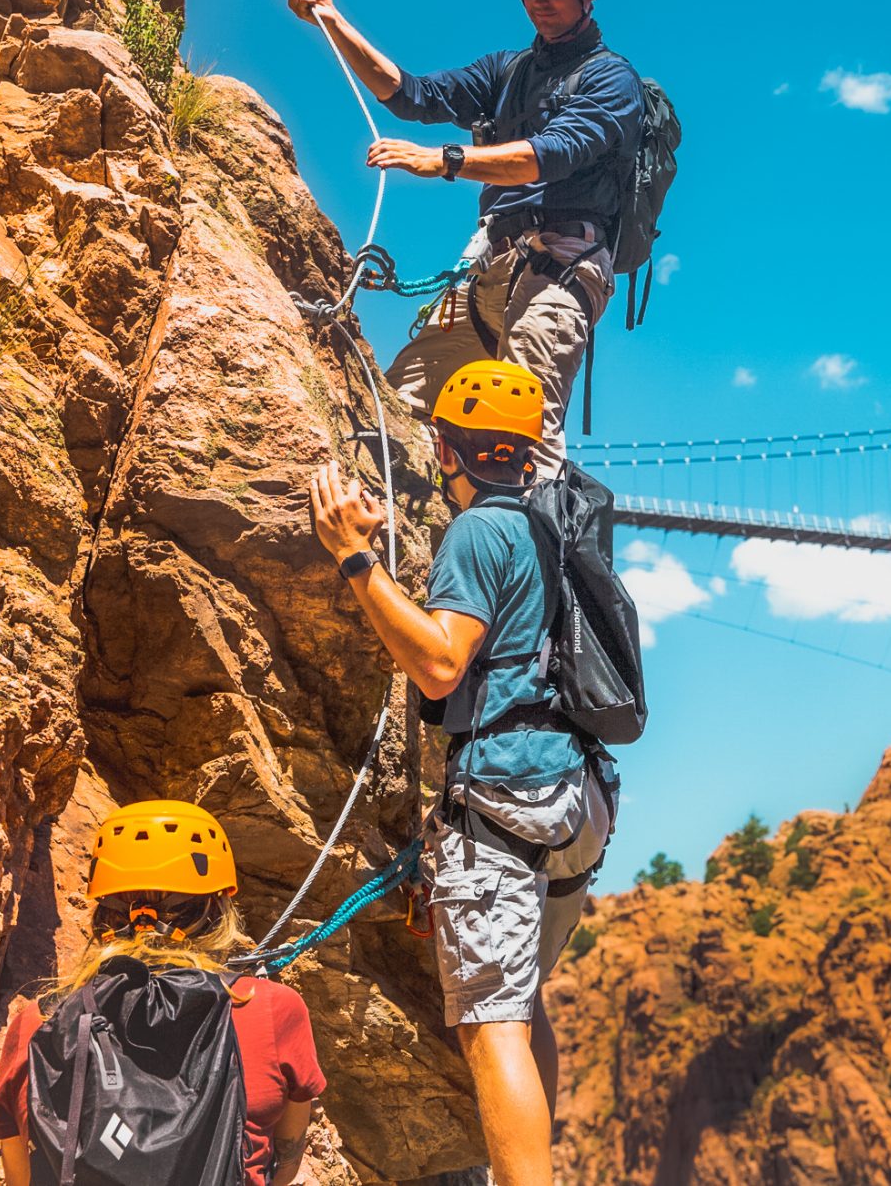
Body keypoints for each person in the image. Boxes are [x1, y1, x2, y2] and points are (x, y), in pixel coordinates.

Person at [308, 358, 618, 1186]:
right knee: (523, 1003)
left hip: (507, 800)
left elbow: (441, 664)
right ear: (523, 452)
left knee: (491, 1025)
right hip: (577, 801)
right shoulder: (554, 529)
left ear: (445, 448)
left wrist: (355, 559)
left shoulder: (480, 530)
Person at [280, 0, 645, 475]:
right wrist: (330, 21)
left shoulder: (612, 81)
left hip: (562, 268)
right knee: (404, 403)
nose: (538, 0)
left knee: (520, 428)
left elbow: (546, 155)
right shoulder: (507, 71)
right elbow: (410, 94)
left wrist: (444, 160)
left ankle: (529, 552)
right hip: (492, 268)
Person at [0, 800, 325, 1186]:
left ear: (104, 913)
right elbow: (287, 1159)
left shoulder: (41, 1020)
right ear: (214, 910)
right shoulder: (272, 1009)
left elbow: (20, 1175)